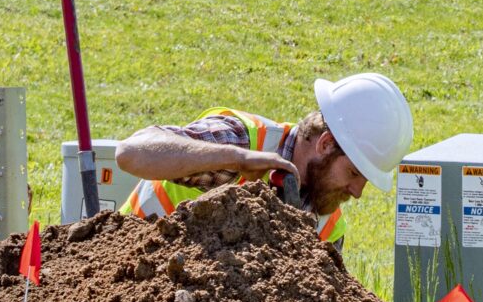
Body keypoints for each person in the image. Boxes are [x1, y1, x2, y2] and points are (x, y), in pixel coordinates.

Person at [114, 73, 413, 249]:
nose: (357, 192)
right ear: (326, 144)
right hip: (125, 282)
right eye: (353, 173)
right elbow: (131, 153)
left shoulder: (328, 228)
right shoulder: (243, 141)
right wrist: (237, 160)